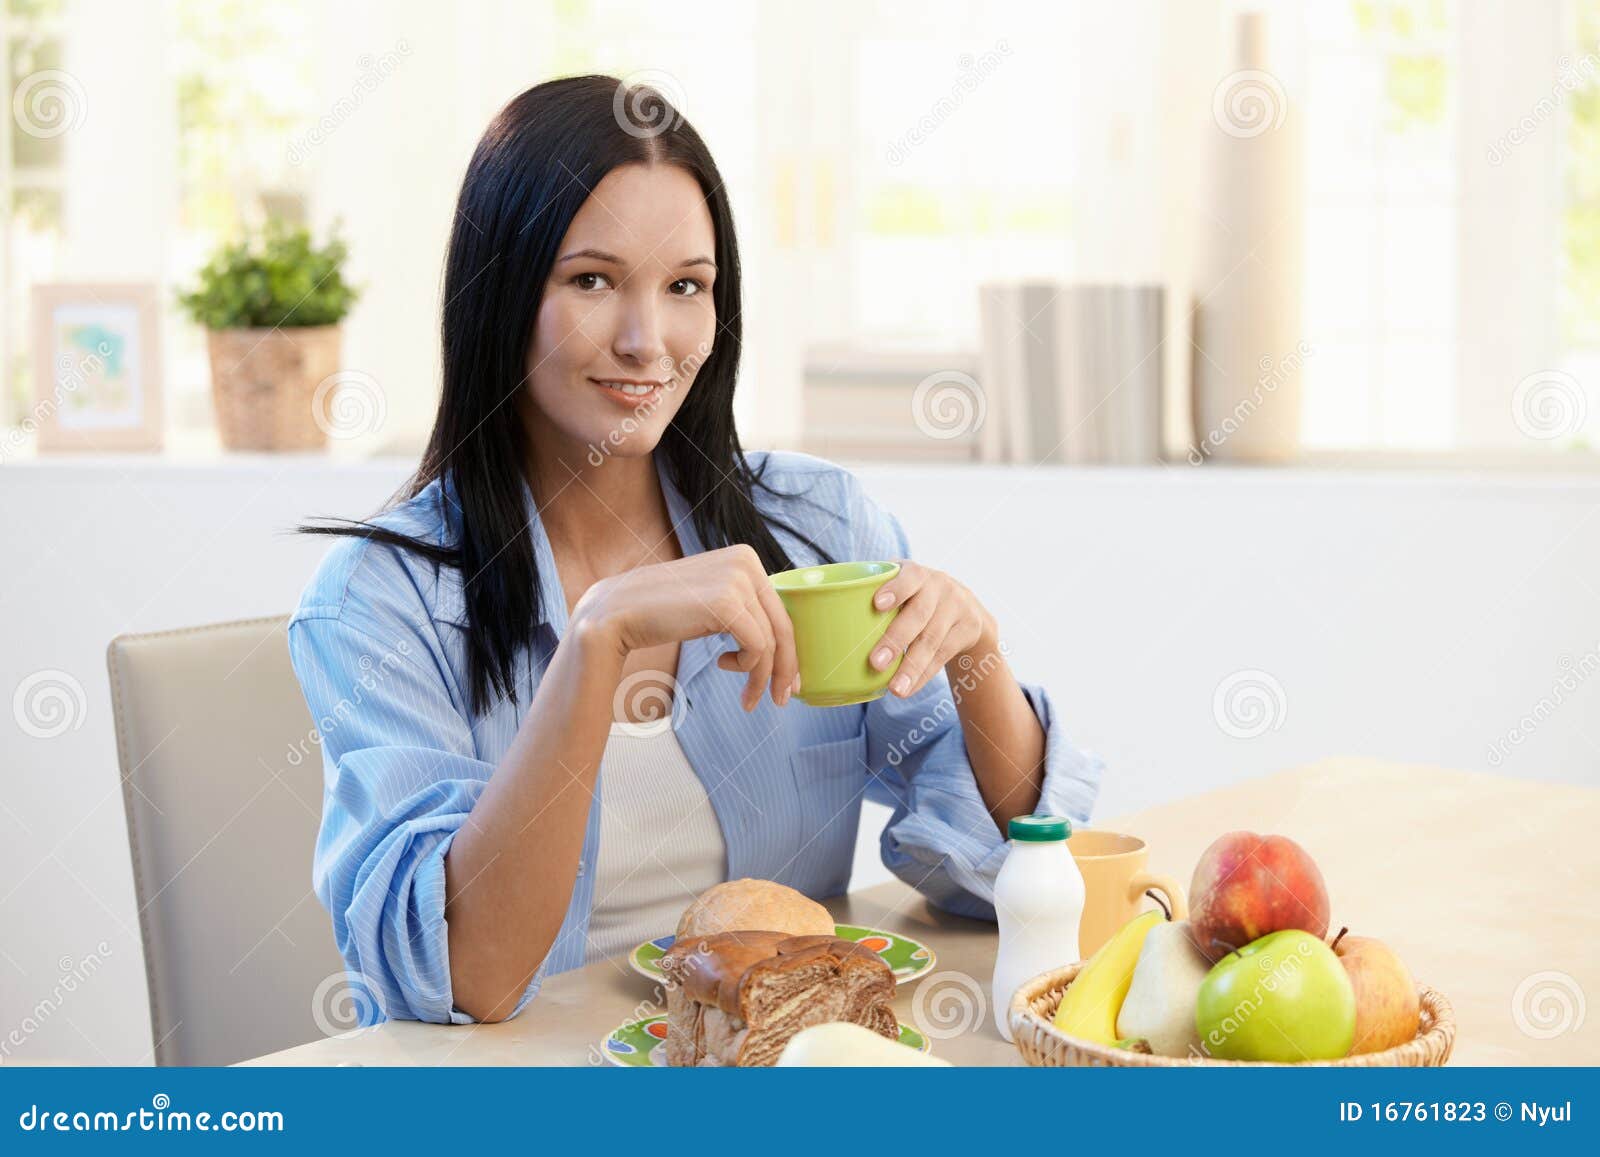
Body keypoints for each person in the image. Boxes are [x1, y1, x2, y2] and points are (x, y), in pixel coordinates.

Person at [289, 75, 1102, 1026]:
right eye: (591, 280)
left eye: (687, 287)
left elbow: (997, 873)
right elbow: (469, 973)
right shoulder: (380, 604)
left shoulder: (817, 531)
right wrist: (598, 641)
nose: (648, 340)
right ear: (501, 294)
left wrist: (977, 662)